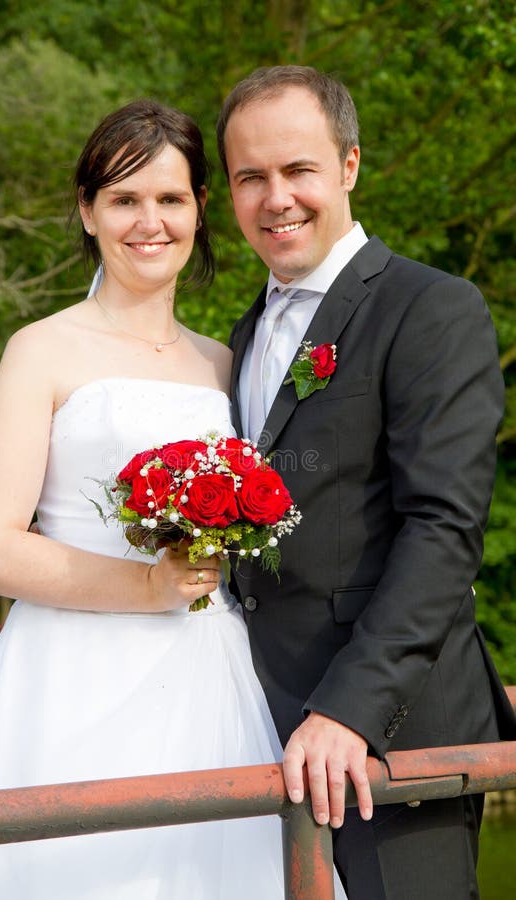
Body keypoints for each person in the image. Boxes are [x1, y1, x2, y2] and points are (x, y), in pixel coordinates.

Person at [0, 99, 351, 900]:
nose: (148, 222)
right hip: (68, 680)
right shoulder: (41, 349)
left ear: (199, 210)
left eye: (170, 198)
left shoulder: (228, 361)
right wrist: (147, 587)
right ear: (88, 211)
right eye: (123, 199)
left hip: (207, 680)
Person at [217, 65, 516, 899]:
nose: (277, 197)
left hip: (393, 735)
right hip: (256, 724)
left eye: (298, 170)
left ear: (349, 166)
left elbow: (443, 531)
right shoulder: (240, 336)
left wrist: (350, 708)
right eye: (251, 177)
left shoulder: (431, 307)